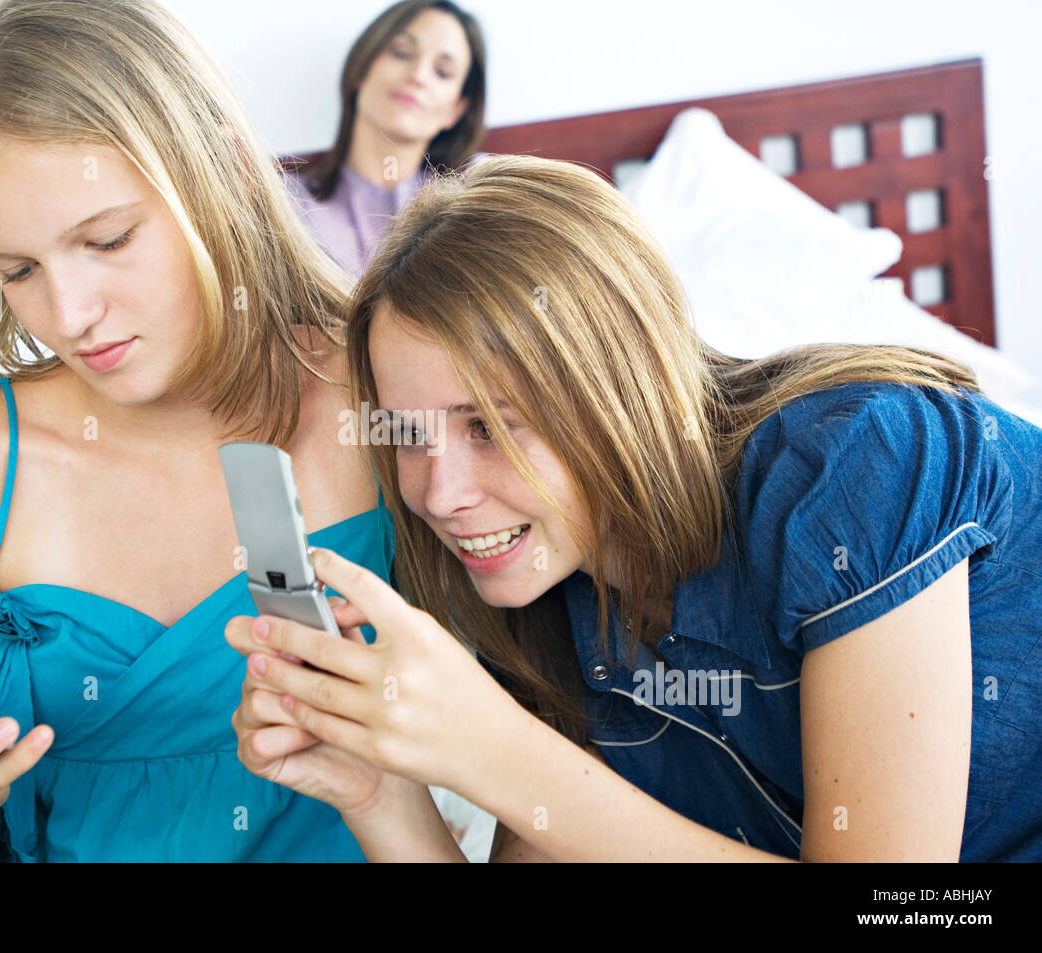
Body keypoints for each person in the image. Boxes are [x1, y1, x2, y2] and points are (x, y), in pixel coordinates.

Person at [225, 154, 1042, 861]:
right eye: (408, 434)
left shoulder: (862, 460)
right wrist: (383, 796)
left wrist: (498, 752)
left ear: (619, 389)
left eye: (490, 427)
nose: (440, 493)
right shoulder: (555, 618)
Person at [0, 0, 395, 862]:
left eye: (109, 239)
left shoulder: (385, 398)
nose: (71, 315)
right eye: (16, 271)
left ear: (223, 172)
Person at [283, 0, 487, 278]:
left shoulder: (475, 190)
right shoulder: (287, 202)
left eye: (442, 72)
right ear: (361, 69)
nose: (418, 76)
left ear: (456, 110)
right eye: (402, 53)